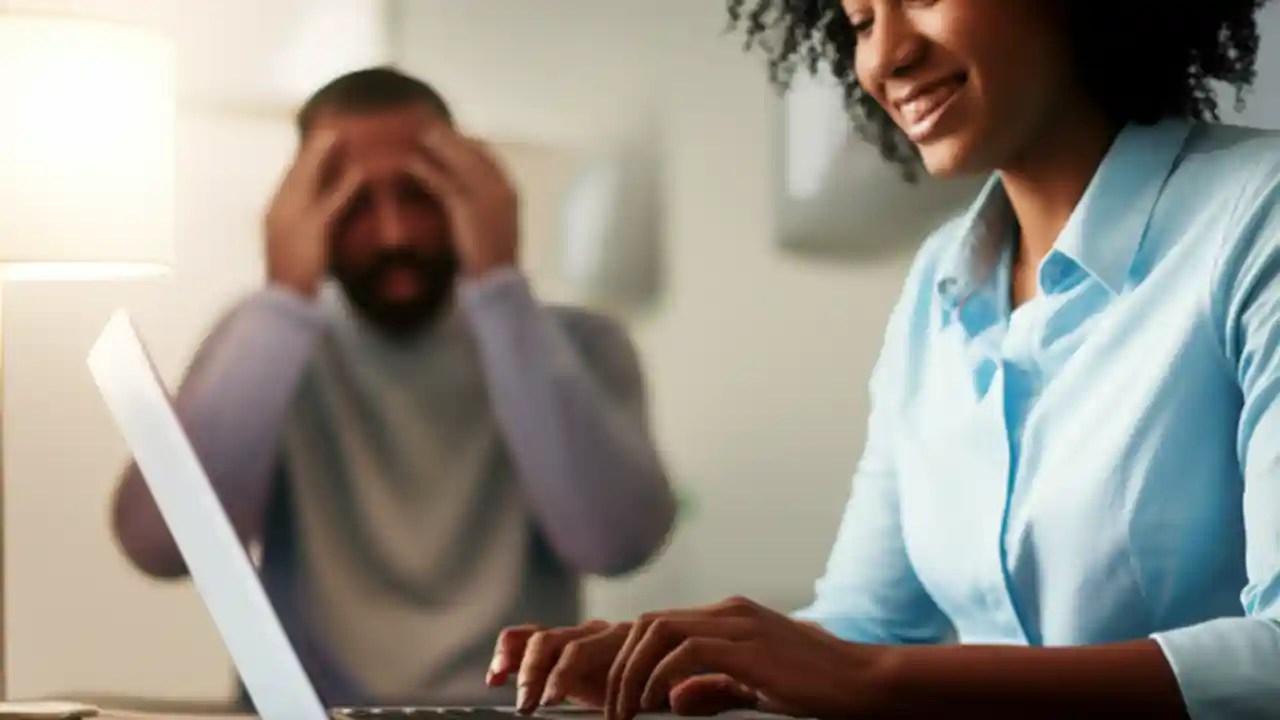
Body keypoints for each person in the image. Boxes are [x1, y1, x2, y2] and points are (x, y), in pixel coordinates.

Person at [489, 1, 1280, 718]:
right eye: (862, 20)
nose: (886, 58)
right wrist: (676, 661)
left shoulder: (1257, 216)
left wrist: (879, 678)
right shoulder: (941, 281)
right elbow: (865, 624)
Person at [111, 67, 677, 708]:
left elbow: (615, 544)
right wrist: (283, 299)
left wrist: (499, 286)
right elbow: (159, 547)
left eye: (419, 194)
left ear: (474, 190)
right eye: (352, 203)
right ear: (301, 207)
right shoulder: (263, 339)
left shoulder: (580, 344)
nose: (395, 235)